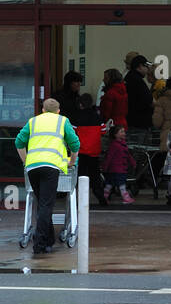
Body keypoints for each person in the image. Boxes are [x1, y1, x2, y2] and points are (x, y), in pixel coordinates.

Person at [15, 97, 80, 256]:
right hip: (50, 167)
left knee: (42, 204)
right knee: (46, 205)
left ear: (42, 110)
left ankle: (49, 240)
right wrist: (71, 161)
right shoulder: (62, 121)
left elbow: (19, 142)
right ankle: (40, 244)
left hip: (33, 168)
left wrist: (26, 161)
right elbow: (75, 144)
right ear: (58, 111)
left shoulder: (33, 121)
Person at [72, 93, 104, 206]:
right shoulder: (97, 116)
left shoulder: (76, 117)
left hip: (81, 151)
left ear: (80, 104)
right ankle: (101, 198)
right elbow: (104, 130)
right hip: (94, 151)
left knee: (80, 176)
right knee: (95, 176)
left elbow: (72, 133)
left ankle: (80, 200)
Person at [102, 125, 136, 204]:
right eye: (121, 132)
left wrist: (133, 162)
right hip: (119, 170)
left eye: (124, 131)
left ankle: (104, 197)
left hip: (115, 169)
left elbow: (128, 155)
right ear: (115, 134)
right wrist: (105, 167)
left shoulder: (120, 145)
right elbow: (109, 157)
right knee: (121, 184)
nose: (124, 133)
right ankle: (126, 198)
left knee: (109, 184)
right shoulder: (115, 145)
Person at [124, 54, 154, 146]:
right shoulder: (137, 80)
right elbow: (149, 100)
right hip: (139, 124)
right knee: (138, 151)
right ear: (140, 66)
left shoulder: (128, 78)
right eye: (146, 66)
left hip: (131, 121)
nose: (148, 69)